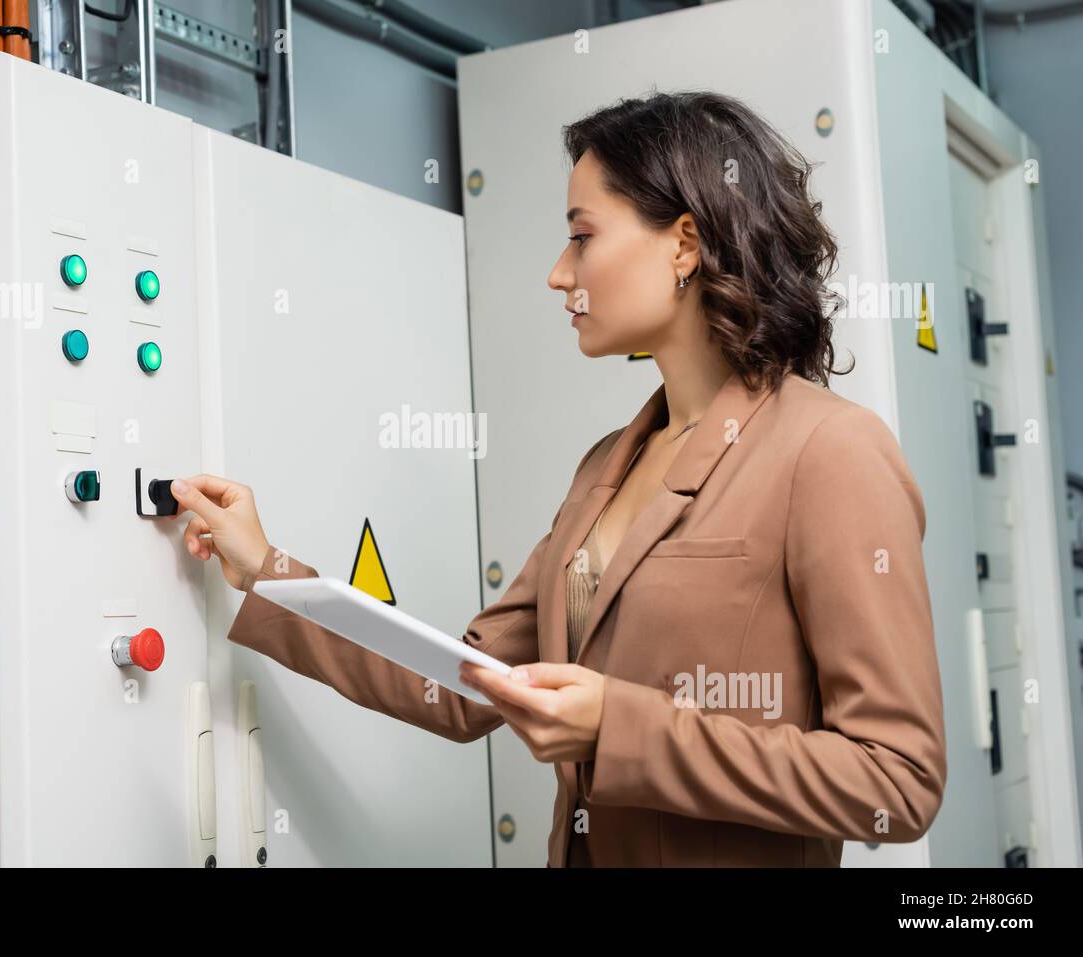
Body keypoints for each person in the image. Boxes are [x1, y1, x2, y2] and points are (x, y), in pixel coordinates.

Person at [167, 90, 946, 867]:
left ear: (684, 245)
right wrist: (266, 572)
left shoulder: (832, 450)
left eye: (581, 238)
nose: (556, 273)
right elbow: (464, 681)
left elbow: (898, 778)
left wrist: (622, 727)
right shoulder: (610, 462)